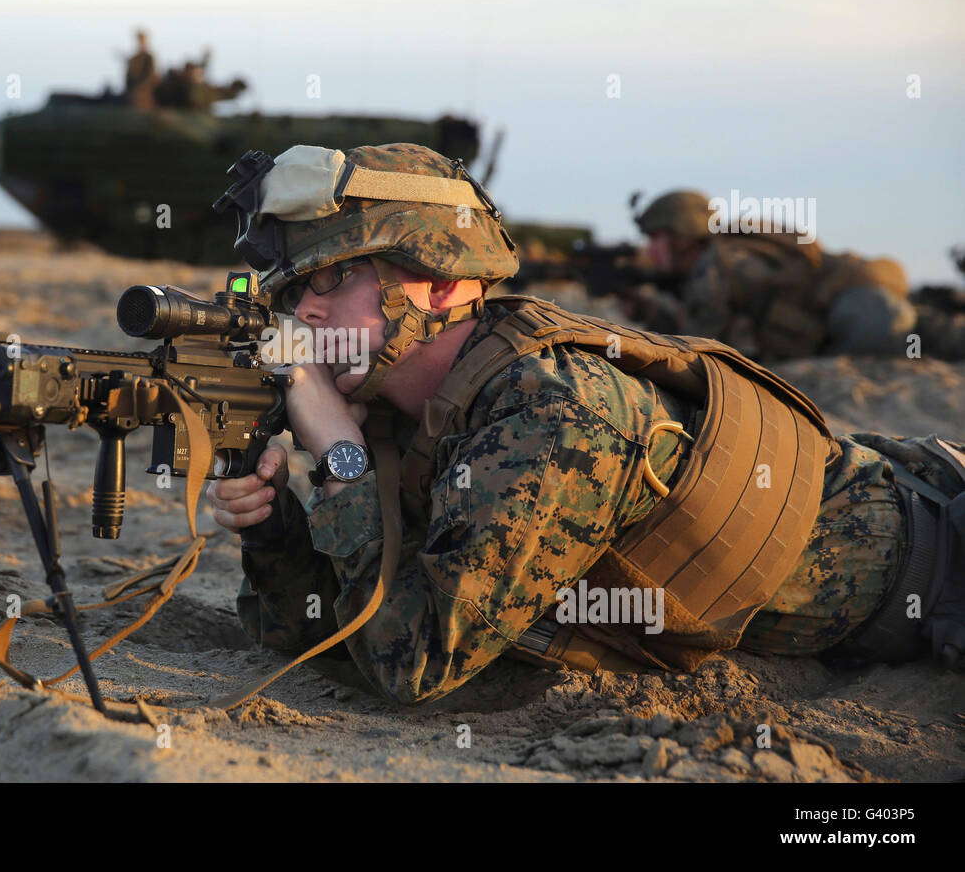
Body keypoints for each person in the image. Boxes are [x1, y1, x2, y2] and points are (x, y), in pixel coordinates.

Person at [204, 144, 965, 707]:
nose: (302, 310)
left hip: (942, 564)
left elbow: (414, 666)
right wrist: (275, 529)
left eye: (333, 278)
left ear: (435, 284)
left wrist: (340, 458)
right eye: (295, 286)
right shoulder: (408, 412)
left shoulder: (551, 412)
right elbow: (320, 636)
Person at [632, 189, 965, 360]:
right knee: (938, 335)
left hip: (861, 313)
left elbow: (694, 347)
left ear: (681, 234)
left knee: (929, 339)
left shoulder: (715, 264)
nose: (649, 250)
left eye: (655, 238)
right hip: (866, 302)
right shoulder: (733, 250)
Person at [123, 29, 159, 111]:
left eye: (142, 39)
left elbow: (151, 76)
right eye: (139, 39)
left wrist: (140, 89)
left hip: (145, 95)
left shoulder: (149, 57)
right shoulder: (134, 58)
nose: (140, 41)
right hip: (133, 94)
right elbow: (129, 77)